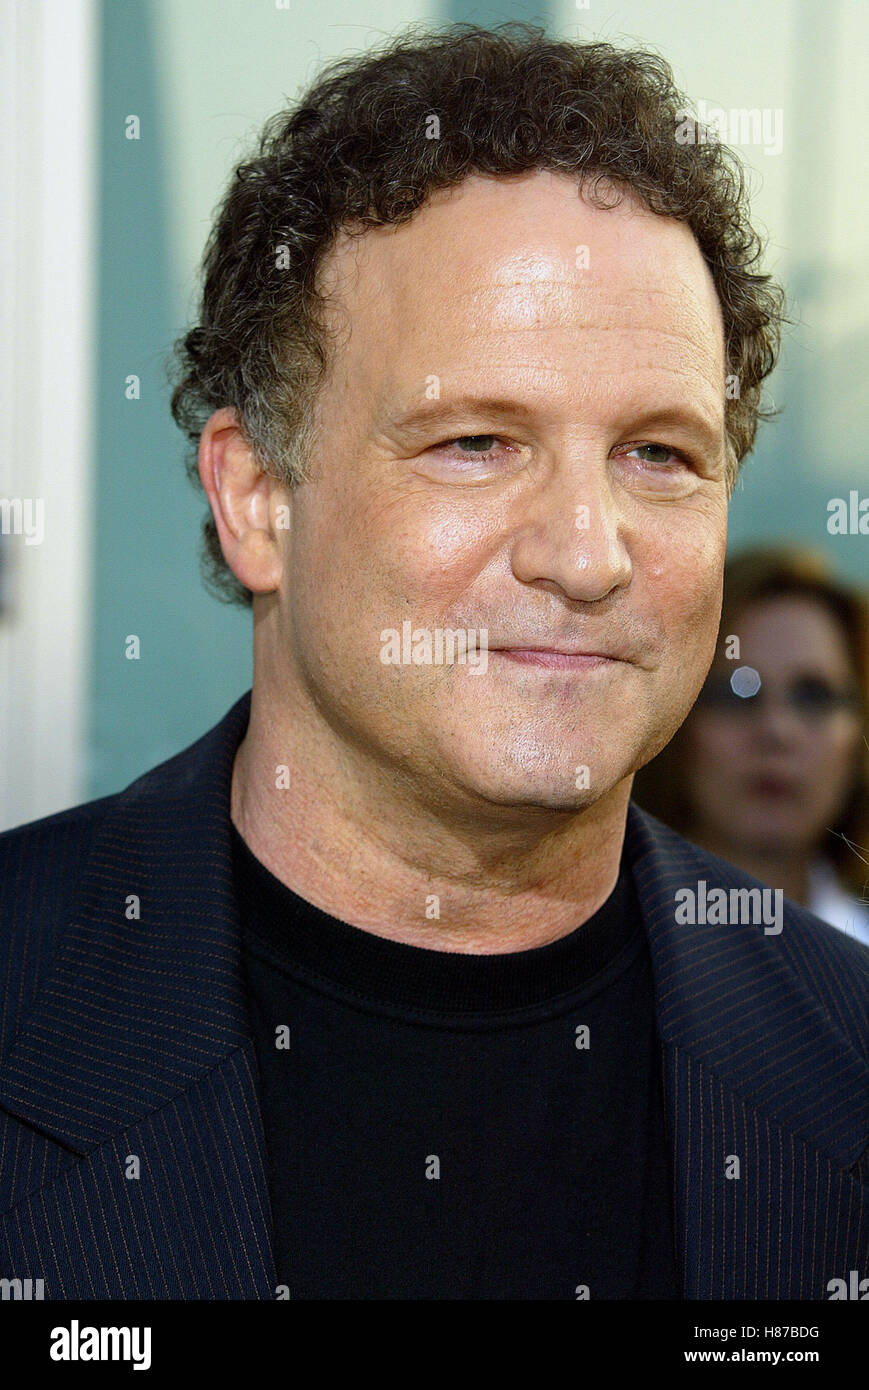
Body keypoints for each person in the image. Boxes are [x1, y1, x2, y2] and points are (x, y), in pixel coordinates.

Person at [0, 22, 866, 1302]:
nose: (584, 553)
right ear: (255, 500)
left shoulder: (842, 1065)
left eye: (659, 456)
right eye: (473, 441)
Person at [633, 548, 869, 946]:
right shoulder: (593, 954)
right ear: (675, 718)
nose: (776, 731)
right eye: (735, 693)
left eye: (814, 696)